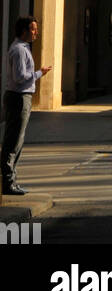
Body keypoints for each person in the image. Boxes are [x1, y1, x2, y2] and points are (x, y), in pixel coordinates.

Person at [1, 16, 52, 196]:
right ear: (24, 30)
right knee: (13, 142)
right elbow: (19, 76)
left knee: (17, 141)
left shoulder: (22, 48)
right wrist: (39, 73)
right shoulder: (19, 50)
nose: (36, 32)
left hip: (20, 97)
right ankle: (8, 183)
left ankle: (11, 181)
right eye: (33, 29)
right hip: (19, 97)